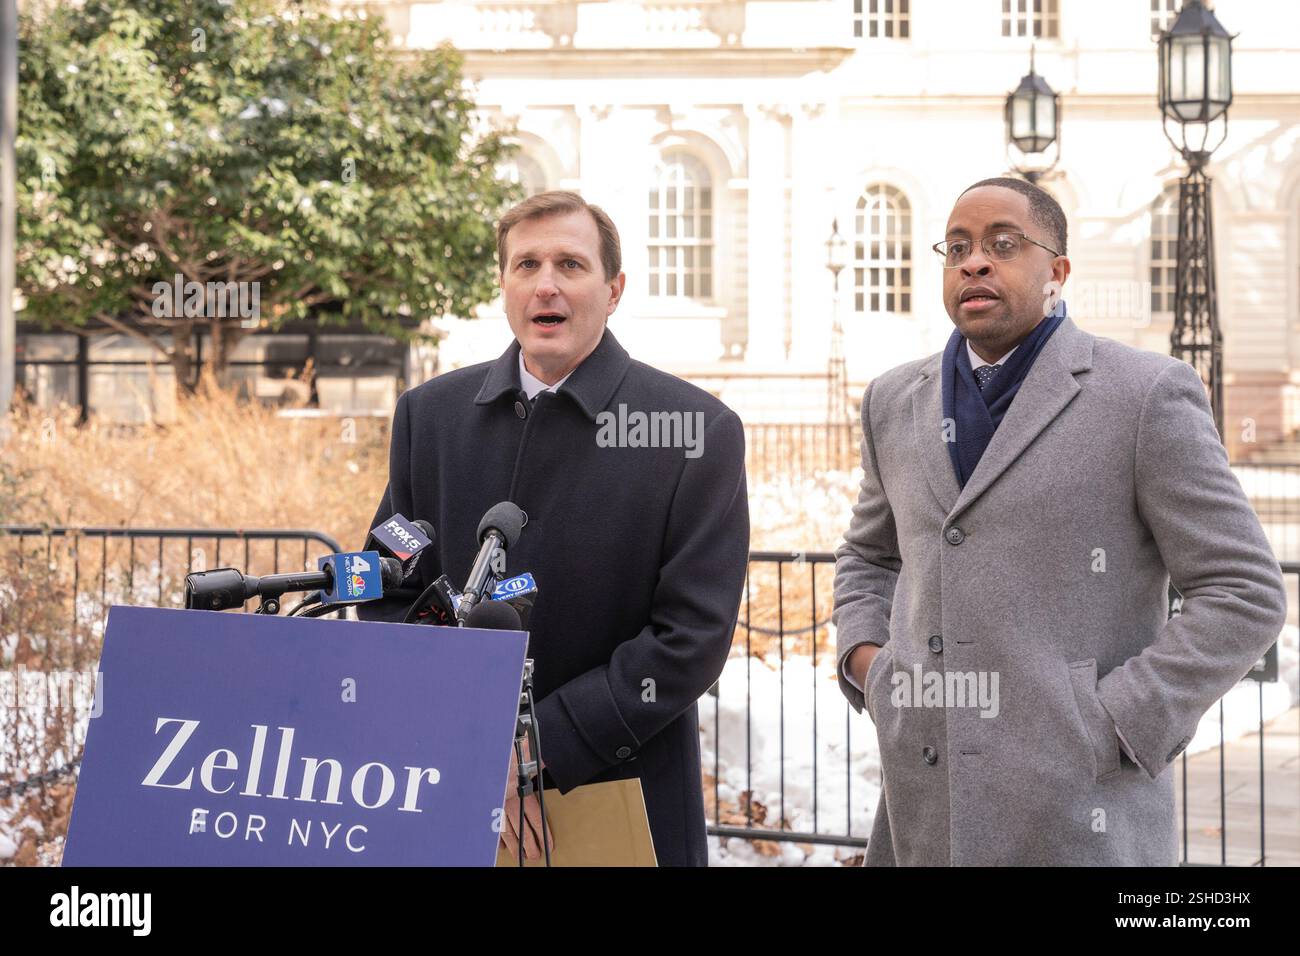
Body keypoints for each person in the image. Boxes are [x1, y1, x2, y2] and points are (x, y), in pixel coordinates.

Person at [832, 176, 1286, 866]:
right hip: (925, 820)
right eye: (957, 247)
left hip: (1080, 822)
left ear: (1058, 272)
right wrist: (873, 668)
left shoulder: (1144, 394)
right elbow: (869, 557)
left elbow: (1243, 591)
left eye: (1002, 244)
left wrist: (1114, 721)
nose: (974, 263)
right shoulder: (893, 400)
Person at [358, 190, 750, 866]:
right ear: (504, 285)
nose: (546, 285)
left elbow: (690, 638)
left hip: (619, 796)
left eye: (570, 264)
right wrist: (468, 736)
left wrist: (534, 751)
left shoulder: (697, 431)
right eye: (526, 265)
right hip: (451, 786)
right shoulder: (430, 416)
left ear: (614, 289)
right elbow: (388, 585)